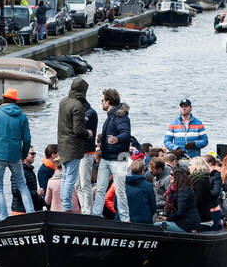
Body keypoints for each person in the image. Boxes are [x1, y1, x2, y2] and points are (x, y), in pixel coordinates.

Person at [0, 88, 34, 220]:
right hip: (15, 156)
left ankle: (3, 218)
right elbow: (27, 139)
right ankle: (31, 214)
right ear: (15, 101)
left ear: (4, 99)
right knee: (22, 185)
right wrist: (23, 155)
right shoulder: (22, 117)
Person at [92, 89, 132, 222]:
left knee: (120, 191)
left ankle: (125, 219)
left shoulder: (120, 116)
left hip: (118, 159)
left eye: (102, 100)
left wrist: (117, 139)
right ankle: (96, 215)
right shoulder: (110, 116)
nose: (101, 103)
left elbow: (126, 134)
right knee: (100, 188)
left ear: (108, 101)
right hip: (105, 158)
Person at [56, 77, 92, 211]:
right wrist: (88, 132)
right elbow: (78, 130)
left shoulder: (63, 102)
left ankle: (63, 203)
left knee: (65, 176)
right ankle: (67, 207)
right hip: (73, 147)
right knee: (71, 178)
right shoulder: (78, 106)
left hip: (62, 144)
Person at [163, 167, 203, 232]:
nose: (169, 176)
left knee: (157, 225)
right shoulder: (179, 189)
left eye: (172, 174)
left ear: (178, 176)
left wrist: (166, 219)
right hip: (184, 221)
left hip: (188, 223)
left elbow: (180, 212)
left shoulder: (183, 190)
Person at [123, 159, 157, 224]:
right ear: (142, 171)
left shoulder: (122, 185)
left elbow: (116, 205)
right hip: (142, 224)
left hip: (123, 222)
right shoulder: (148, 186)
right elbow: (153, 208)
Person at [11, 146, 40, 214]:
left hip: (30, 209)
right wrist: (36, 193)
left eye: (34, 153)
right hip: (20, 211)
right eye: (32, 154)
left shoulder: (30, 170)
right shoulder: (18, 171)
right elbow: (15, 191)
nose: (34, 156)